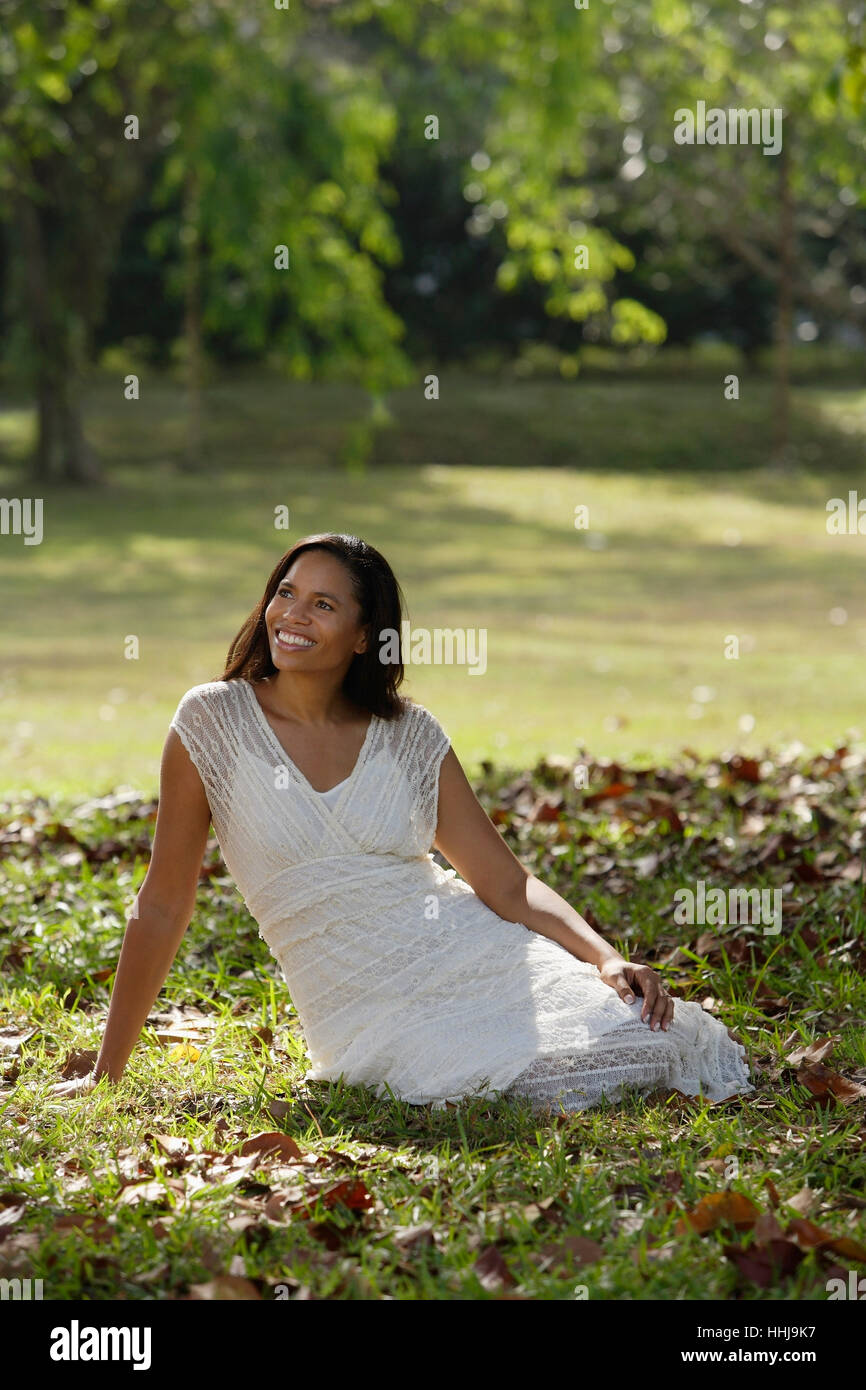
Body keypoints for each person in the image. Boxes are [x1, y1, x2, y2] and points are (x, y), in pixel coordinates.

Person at [51, 533, 754, 1114]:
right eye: (286, 593)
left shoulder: (409, 733)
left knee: (653, 1040)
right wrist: (109, 1069)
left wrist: (603, 957)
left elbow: (506, 886)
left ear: (363, 637)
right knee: (516, 1087)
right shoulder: (212, 722)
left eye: (323, 604)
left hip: (472, 951)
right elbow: (164, 901)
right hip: (362, 1007)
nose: (291, 615)